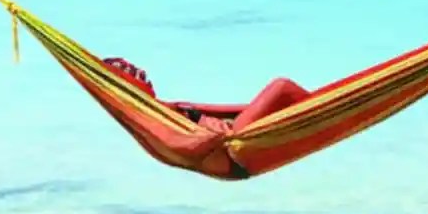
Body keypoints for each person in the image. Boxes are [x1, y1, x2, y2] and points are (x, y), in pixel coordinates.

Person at [101, 56, 313, 133]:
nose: (142, 73)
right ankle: (319, 116)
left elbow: (236, 110)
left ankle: (323, 113)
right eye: (132, 72)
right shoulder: (149, 117)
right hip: (231, 140)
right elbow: (185, 149)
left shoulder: (168, 108)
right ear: (125, 87)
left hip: (237, 130)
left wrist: (265, 108)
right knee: (282, 85)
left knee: (283, 95)